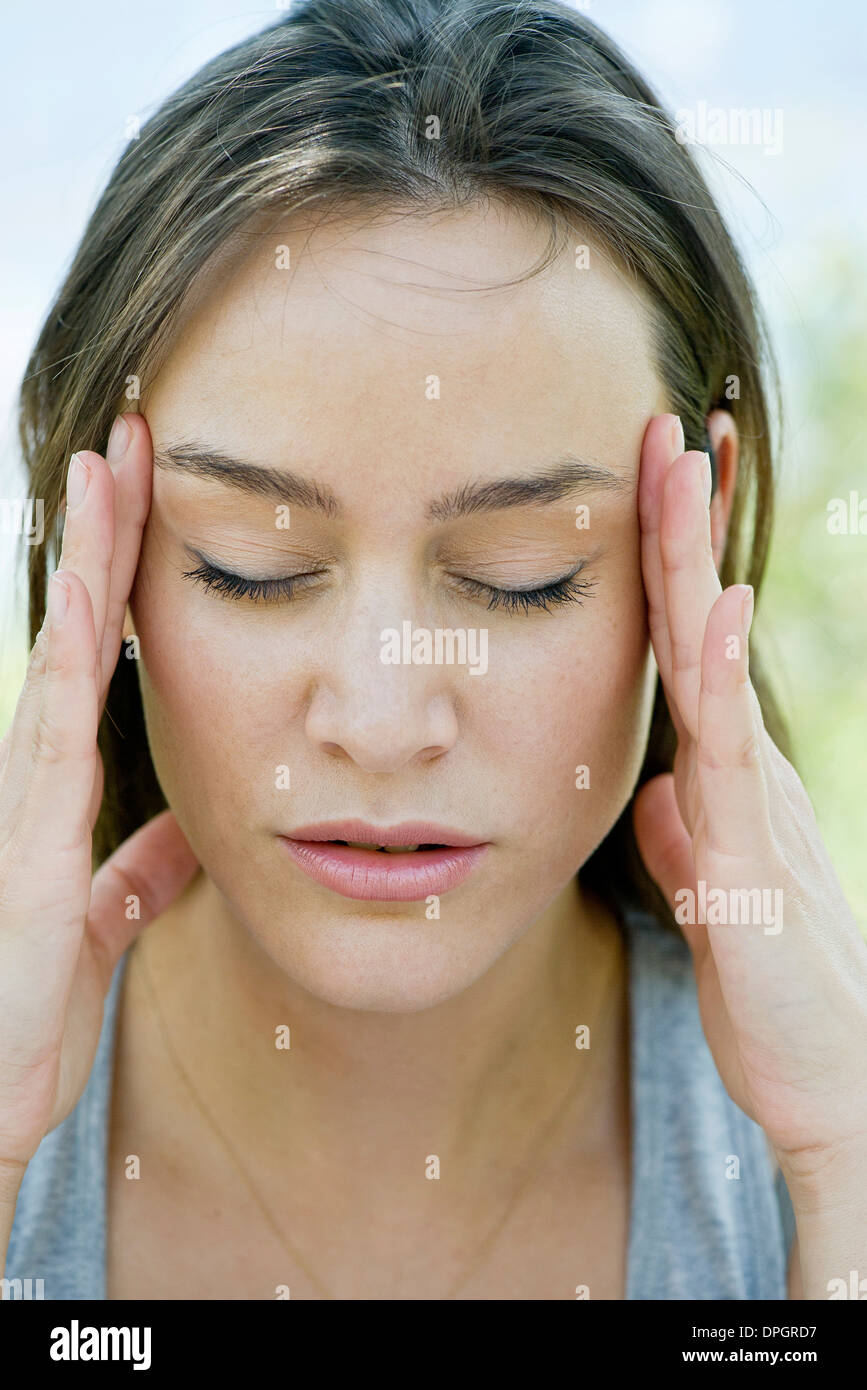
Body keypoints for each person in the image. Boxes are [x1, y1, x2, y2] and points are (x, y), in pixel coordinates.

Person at [2, 0, 865, 1301]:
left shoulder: (805, 1153)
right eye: (252, 563)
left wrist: (844, 1174)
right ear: (104, 550)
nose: (385, 715)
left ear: (688, 525)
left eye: (523, 571)